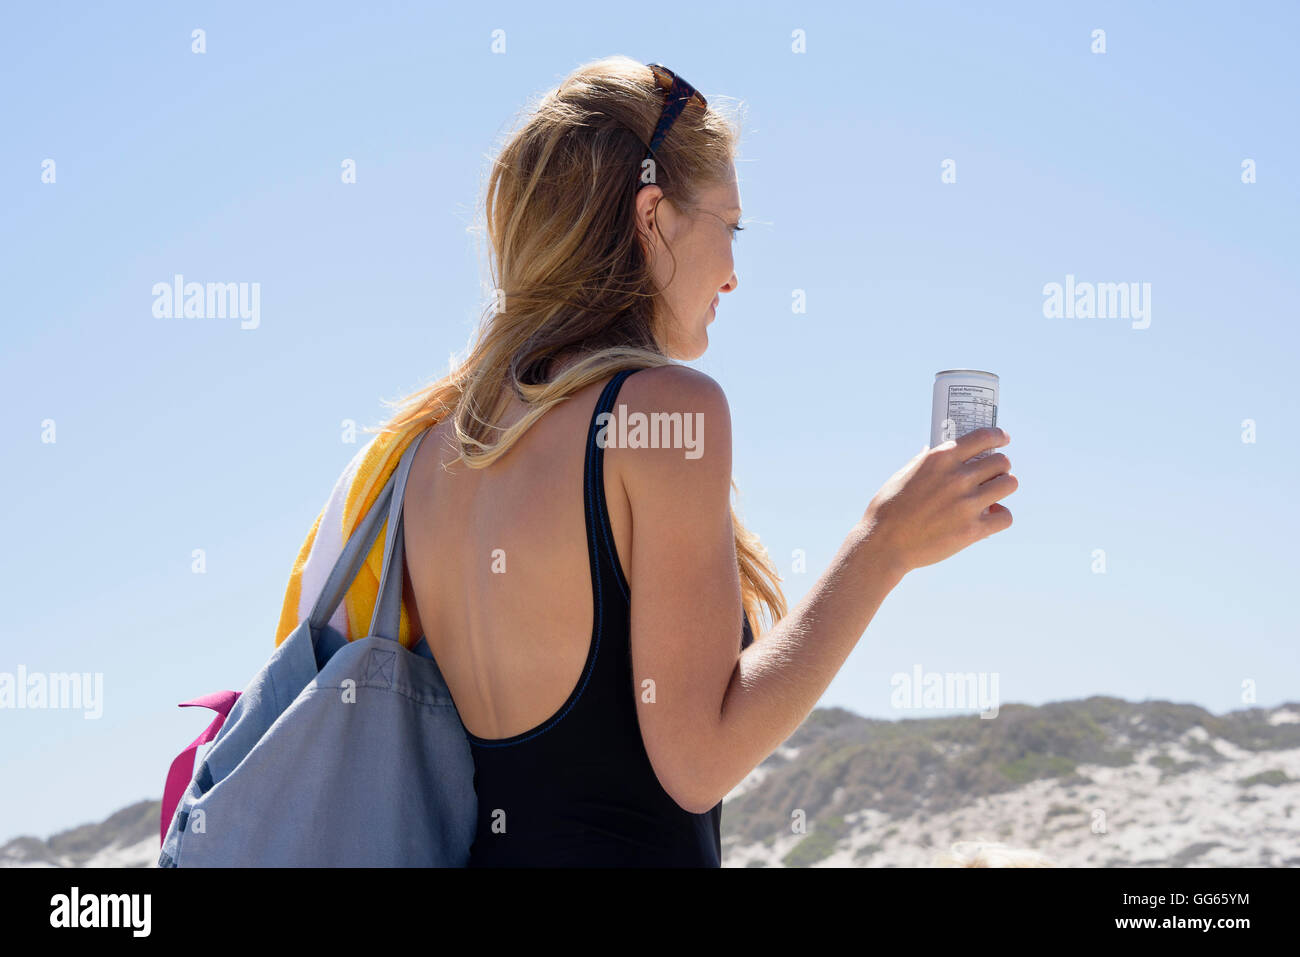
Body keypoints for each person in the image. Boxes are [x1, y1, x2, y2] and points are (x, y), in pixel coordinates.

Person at [372, 56, 1018, 866]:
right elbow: (697, 763)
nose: (736, 273)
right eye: (730, 225)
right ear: (653, 216)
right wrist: (883, 544)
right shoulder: (666, 411)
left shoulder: (436, 446)